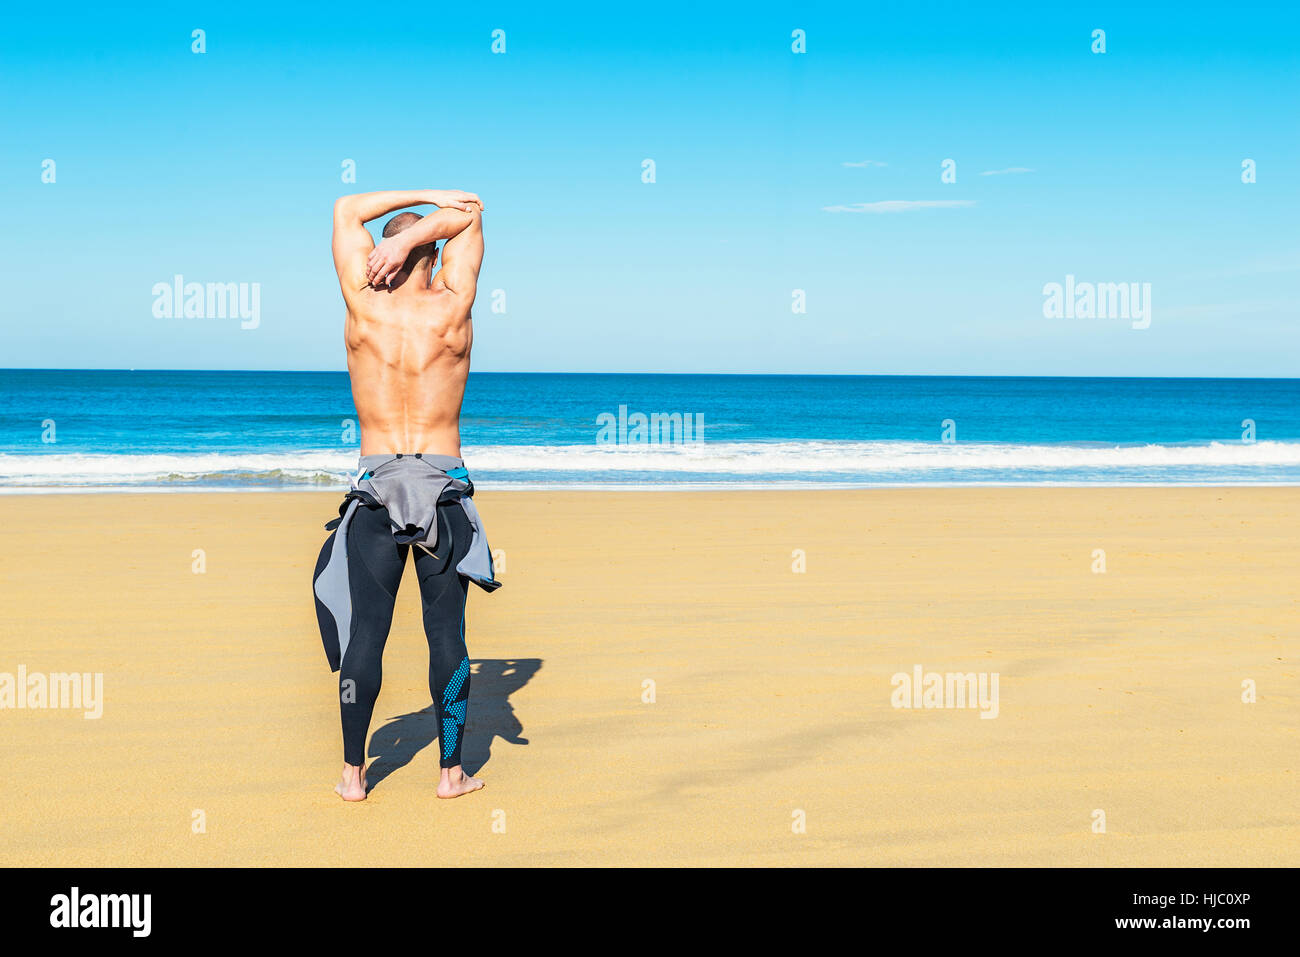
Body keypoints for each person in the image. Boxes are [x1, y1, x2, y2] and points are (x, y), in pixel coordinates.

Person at [315, 187, 499, 802]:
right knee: (446, 634)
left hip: (375, 487)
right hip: (442, 489)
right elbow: (473, 213)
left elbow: (345, 209)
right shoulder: (452, 305)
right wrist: (417, 231)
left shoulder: (364, 306)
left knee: (369, 634)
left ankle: (352, 776)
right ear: (433, 254)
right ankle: (451, 775)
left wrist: (409, 215)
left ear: (383, 256)